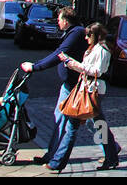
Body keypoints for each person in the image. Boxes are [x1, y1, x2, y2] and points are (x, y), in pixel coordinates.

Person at [20, 7, 87, 165]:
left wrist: (36, 67)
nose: (57, 22)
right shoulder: (74, 32)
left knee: (71, 123)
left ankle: (55, 159)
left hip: (76, 86)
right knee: (86, 121)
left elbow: (60, 54)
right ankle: (111, 148)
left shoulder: (76, 32)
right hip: (71, 84)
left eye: (59, 19)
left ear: (65, 20)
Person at [50, 22, 121, 172]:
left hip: (92, 90)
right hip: (85, 88)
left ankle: (57, 162)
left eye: (89, 35)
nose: (86, 38)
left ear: (95, 35)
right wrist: (71, 63)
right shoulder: (93, 48)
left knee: (74, 125)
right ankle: (111, 156)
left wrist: (73, 64)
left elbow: (97, 71)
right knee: (98, 125)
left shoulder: (102, 50)